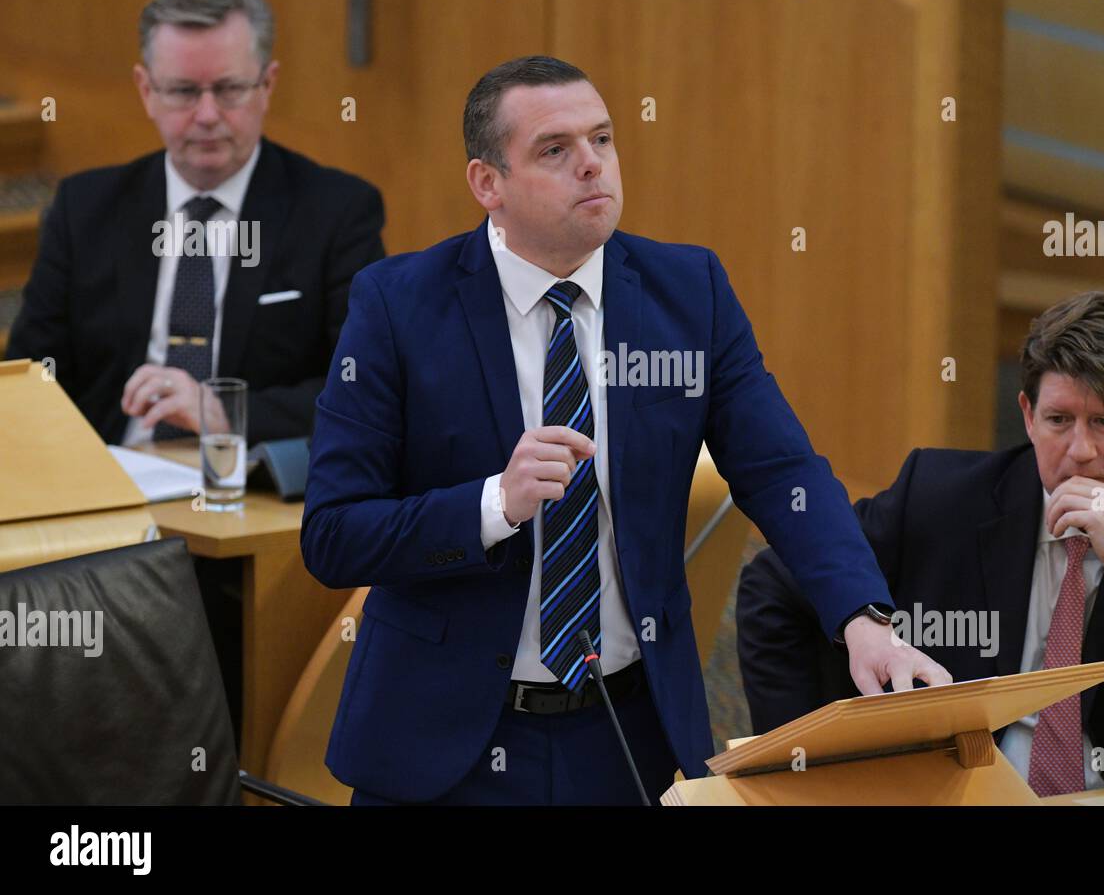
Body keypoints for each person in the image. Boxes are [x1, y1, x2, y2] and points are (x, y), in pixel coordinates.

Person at [300, 55, 951, 805]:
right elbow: (334, 532)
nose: (592, 165)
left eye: (603, 139)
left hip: (623, 734)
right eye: (555, 149)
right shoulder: (397, 306)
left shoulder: (688, 293)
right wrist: (493, 505)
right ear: (488, 184)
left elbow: (783, 473)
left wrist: (861, 617)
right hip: (443, 745)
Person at [737, 291, 1104, 794]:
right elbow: (774, 583)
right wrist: (803, 774)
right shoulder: (939, 498)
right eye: (1059, 420)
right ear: (1027, 415)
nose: (1080, 450)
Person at [6, 0, 385, 446]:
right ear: (146, 90)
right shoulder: (84, 207)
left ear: (267, 86)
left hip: (253, 485)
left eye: (228, 89)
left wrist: (224, 411)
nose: (207, 115)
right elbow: (33, 376)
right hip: (116, 475)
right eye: (184, 91)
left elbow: (363, 384)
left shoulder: (337, 210)